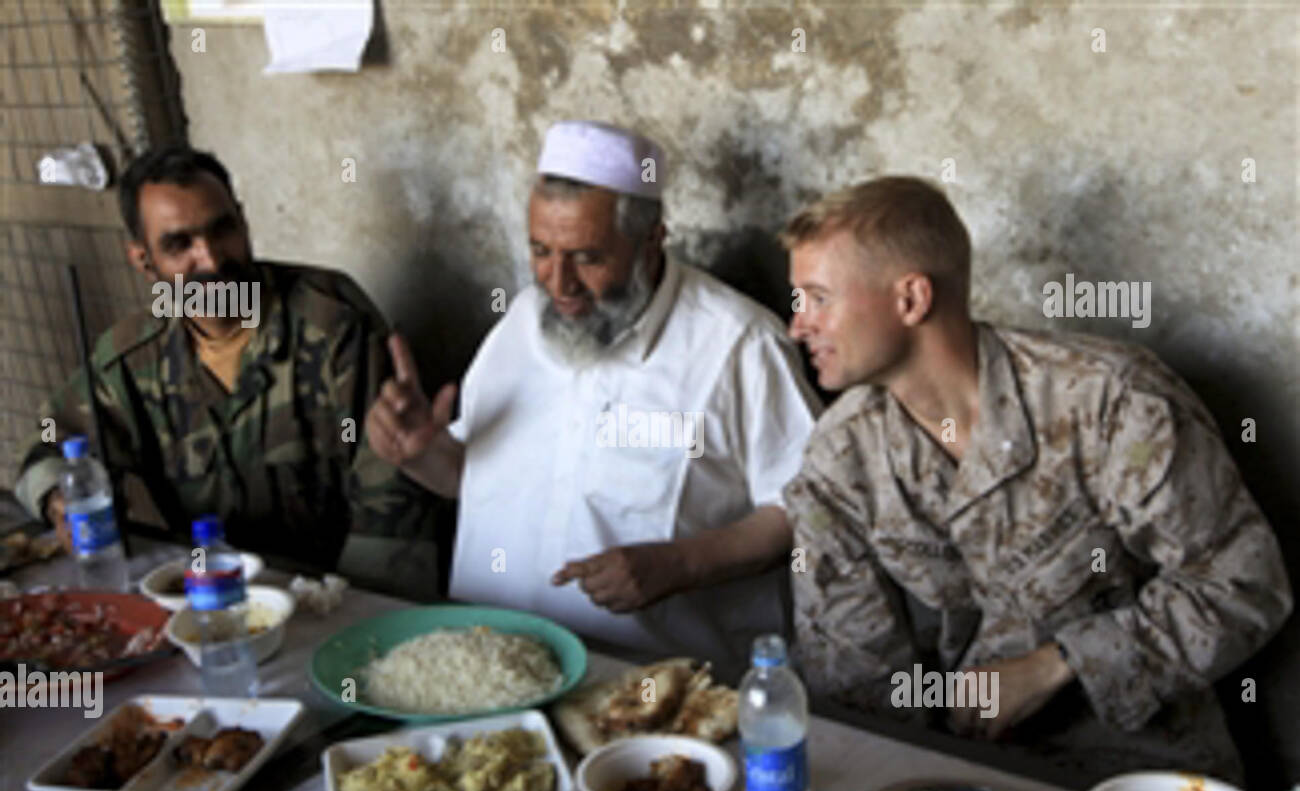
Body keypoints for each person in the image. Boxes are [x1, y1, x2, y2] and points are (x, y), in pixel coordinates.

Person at [780, 175, 1291, 783]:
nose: (797, 327)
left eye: (817, 298)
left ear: (911, 300)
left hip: (1147, 778)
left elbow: (1244, 583)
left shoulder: (1109, 402)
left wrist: (1061, 664)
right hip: (964, 776)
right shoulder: (840, 460)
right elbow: (855, 681)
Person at [366, 120, 821, 678]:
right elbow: (476, 482)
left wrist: (678, 564)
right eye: (540, 251)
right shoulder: (520, 325)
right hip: (490, 667)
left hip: (654, 692)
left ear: (653, 239)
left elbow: (807, 511)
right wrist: (419, 453)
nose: (559, 284)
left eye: (588, 257)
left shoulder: (738, 344)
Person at [13, 145, 438, 596]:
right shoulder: (131, 358)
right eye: (180, 245)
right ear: (144, 261)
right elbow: (46, 440)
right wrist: (60, 497)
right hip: (209, 596)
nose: (212, 260)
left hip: (332, 594)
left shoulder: (330, 323)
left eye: (223, 230)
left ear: (243, 220)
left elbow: (394, 495)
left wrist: (351, 614)